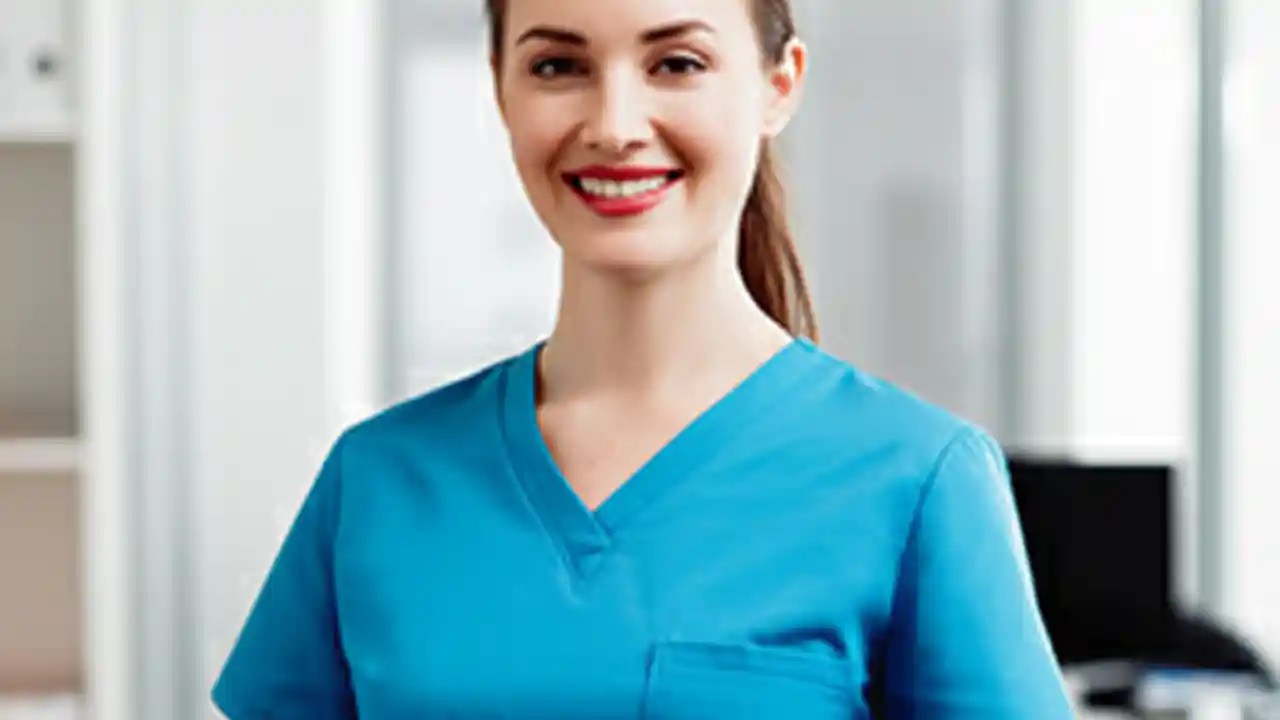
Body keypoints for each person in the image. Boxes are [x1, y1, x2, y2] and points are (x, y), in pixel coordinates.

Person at [211, 0, 1075, 717]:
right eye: (558, 67)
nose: (615, 126)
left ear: (780, 86)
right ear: (502, 90)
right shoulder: (379, 482)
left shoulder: (917, 481)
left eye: (677, 65)